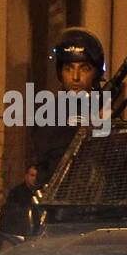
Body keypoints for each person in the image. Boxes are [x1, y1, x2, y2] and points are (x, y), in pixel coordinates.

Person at [30, 25, 106, 186]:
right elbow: (45, 166)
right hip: (58, 203)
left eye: (84, 69)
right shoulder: (48, 113)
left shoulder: (104, 111)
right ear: (60, 72)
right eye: (68, 69)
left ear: (96, 73)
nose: (76, 77)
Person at [0, 162, 40, 236]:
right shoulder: (16, 192)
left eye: (36, 176)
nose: (34, 179)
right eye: (32, 175)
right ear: (26, 176)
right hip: (21, 231)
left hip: (34, 231)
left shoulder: (38, 192)